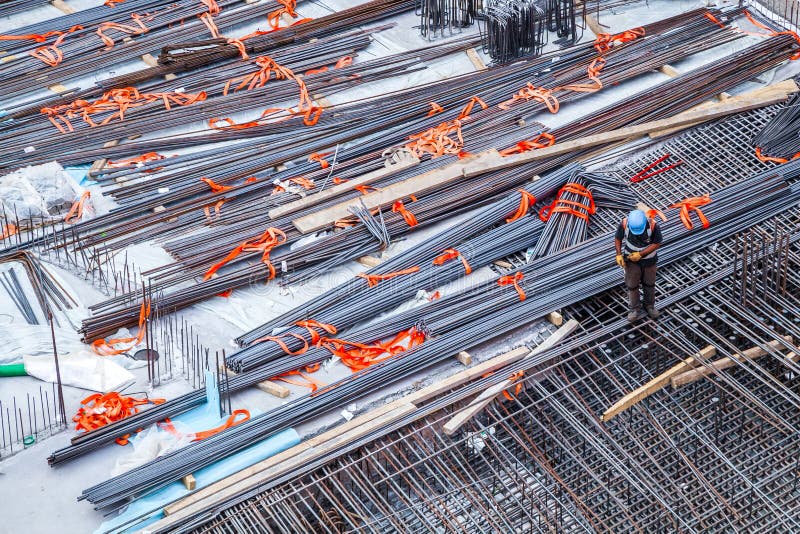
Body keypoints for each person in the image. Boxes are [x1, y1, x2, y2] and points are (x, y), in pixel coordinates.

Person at [614, 209, 663, 322]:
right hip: (631, 261)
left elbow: (657, 243)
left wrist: (641, 254)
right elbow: (618, 238)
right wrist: (618, 254)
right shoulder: (625, 224)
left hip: (649, 260)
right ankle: (634, 309)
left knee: (649, 283)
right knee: (632, 285)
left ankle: (649, 306)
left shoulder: (653, 226)